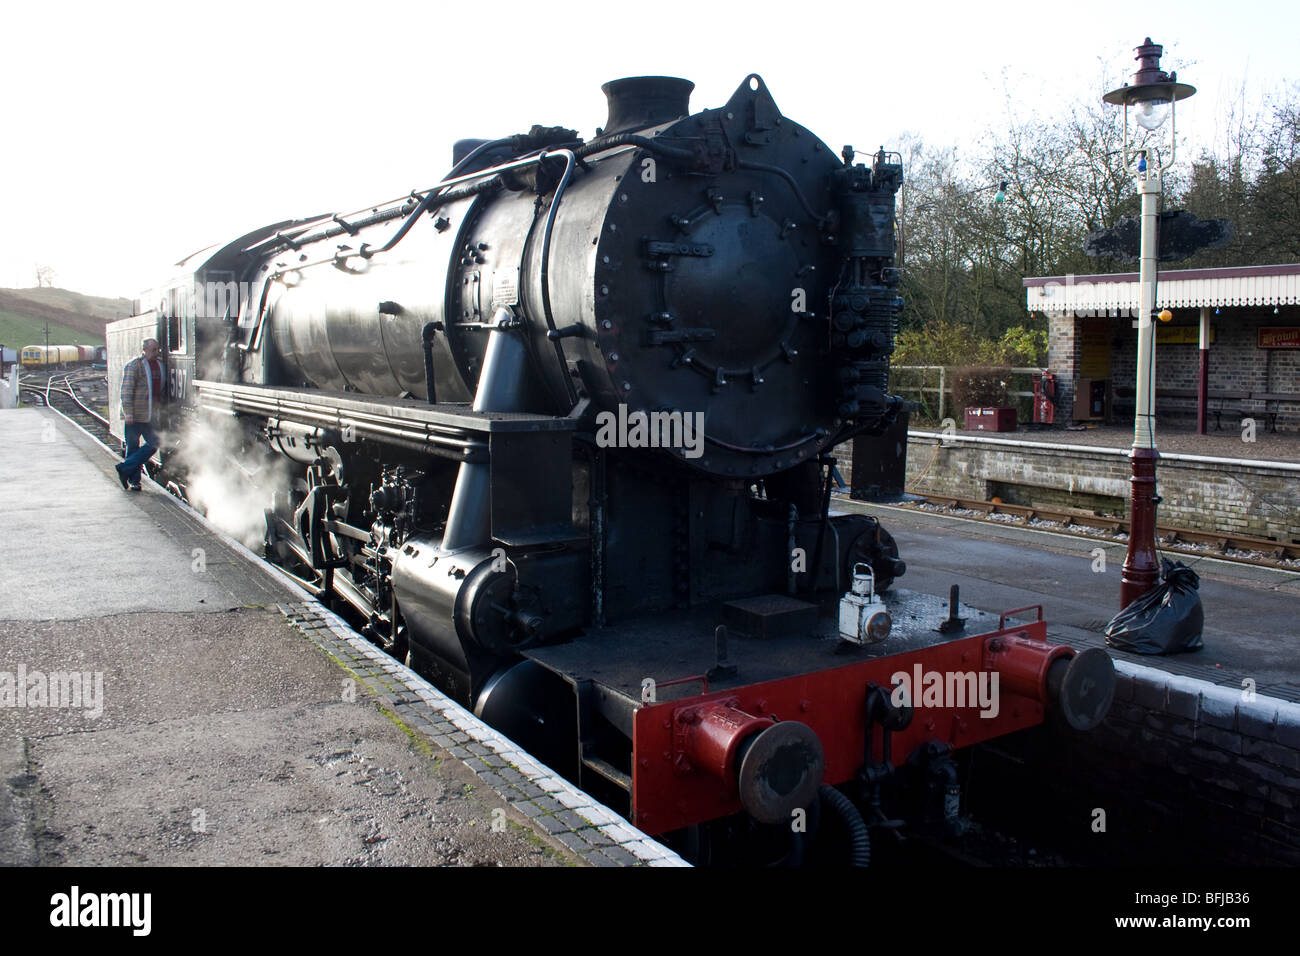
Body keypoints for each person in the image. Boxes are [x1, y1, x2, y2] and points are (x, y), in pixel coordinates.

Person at [116, 338, 166, 491]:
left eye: (157, 349)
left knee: (154, 443)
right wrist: (128, 412)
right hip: (135, 414)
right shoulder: (134, 366)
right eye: (152, 349)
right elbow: (126, 390)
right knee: (133, 447)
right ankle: (134, 481)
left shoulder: (160, 366)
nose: (156, 352)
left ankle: (124, 468)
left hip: (150, 415)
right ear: (144, 350)